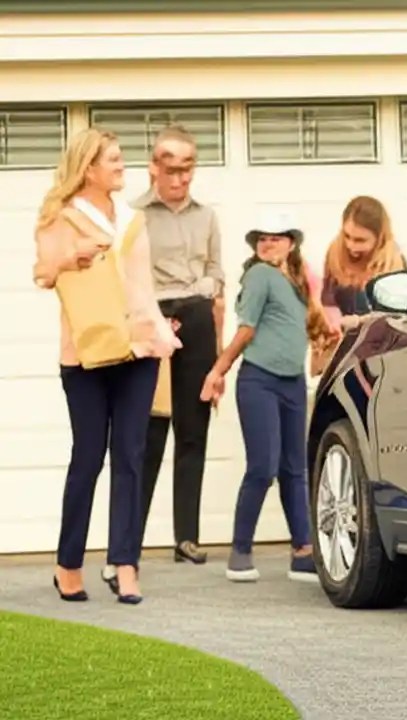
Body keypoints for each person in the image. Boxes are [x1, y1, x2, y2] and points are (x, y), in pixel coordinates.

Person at [32, 127, 181, 605]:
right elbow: (43, 272)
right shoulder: (63, 217)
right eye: (113, 159)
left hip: (138, 350)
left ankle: (125, 563)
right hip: (86, 355)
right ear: (89, 168)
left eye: (121, 159)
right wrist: (71, 259)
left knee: (131, 458)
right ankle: (68, 563)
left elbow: (142, 285)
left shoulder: (134, 219)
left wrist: (160, 329)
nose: (121, 166)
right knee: (88, 457)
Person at [199, 209, 335, 583]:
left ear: (290, 243)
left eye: (275, 238)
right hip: (259, 381)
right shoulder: (258, 275)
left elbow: (310, 325)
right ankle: (240, 551)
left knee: (295, 469)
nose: (268, 243)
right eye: (262, 238)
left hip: (291, 383)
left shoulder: (295, 282)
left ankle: (303, 552)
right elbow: (246, 330)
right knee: (263, 466)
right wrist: (218, 370)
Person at [134, 125, 224, 568]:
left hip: (197, 316)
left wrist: (204, 295)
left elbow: (216, 273)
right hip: (154, 320)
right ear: (154, 168)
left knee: (193, 431)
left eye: (188, 170)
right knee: (149, 433)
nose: (180, 179)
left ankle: (186, 537)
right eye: (172, 170)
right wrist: (154, 317)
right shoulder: (135, 215)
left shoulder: (206, 216)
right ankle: (128, 537)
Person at [321, 195, 407, 329]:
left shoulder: (394, 264)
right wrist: (334, 323)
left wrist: (359, 321)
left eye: (360, 240)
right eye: (347, 236)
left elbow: (396, 318)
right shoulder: (335, 253)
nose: (351, 245)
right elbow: (328, 301)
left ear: (379, 238)